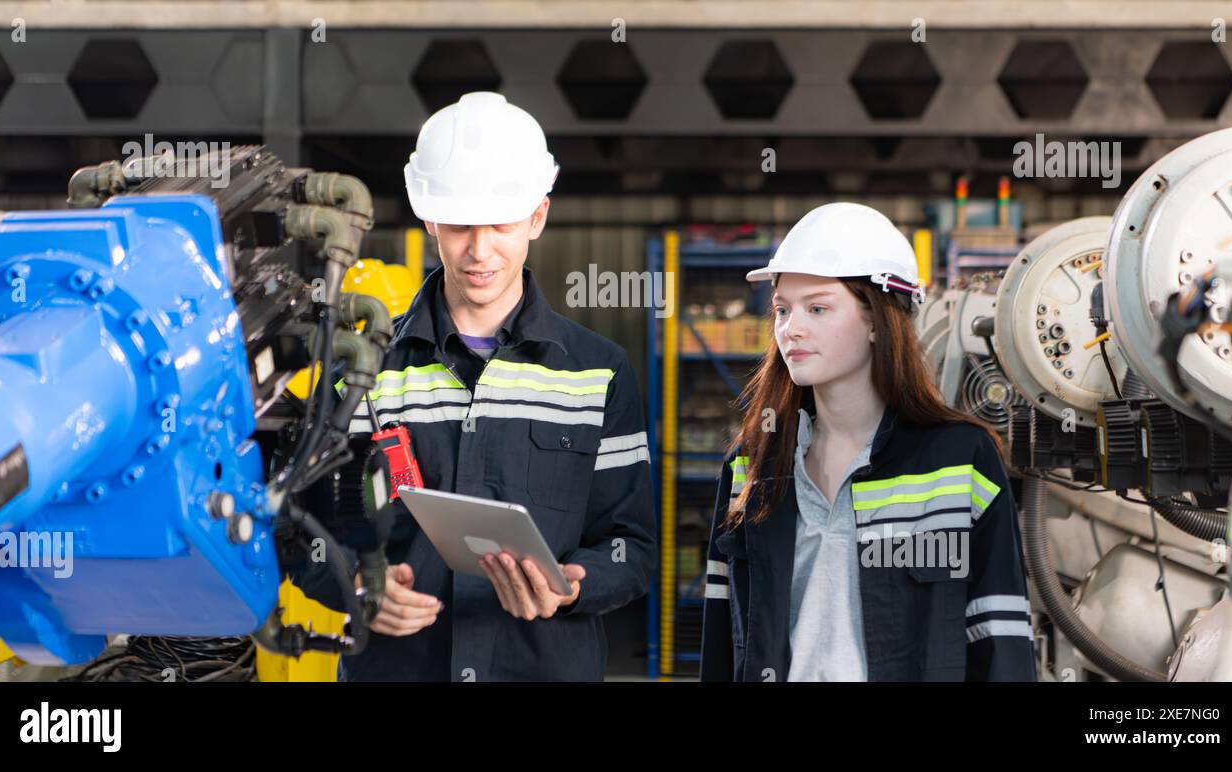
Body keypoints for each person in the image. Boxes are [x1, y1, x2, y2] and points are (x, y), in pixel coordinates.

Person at [296, 92, 656, 681]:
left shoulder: (599, 373)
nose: (480, 250)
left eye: (502, 224)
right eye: (460, 224)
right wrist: (358, 585)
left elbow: (631, 547)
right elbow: (304, 530)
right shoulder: (360, 370)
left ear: (537, 218)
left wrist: (573, 587)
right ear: (430, 217)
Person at [700, 202, 1036, 682]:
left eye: (818, 308)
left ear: (878, 319)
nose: (790, 328)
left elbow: (1000, 640)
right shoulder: (751, 463)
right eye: (782, 310)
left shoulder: (960, 462)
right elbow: (720, 638)